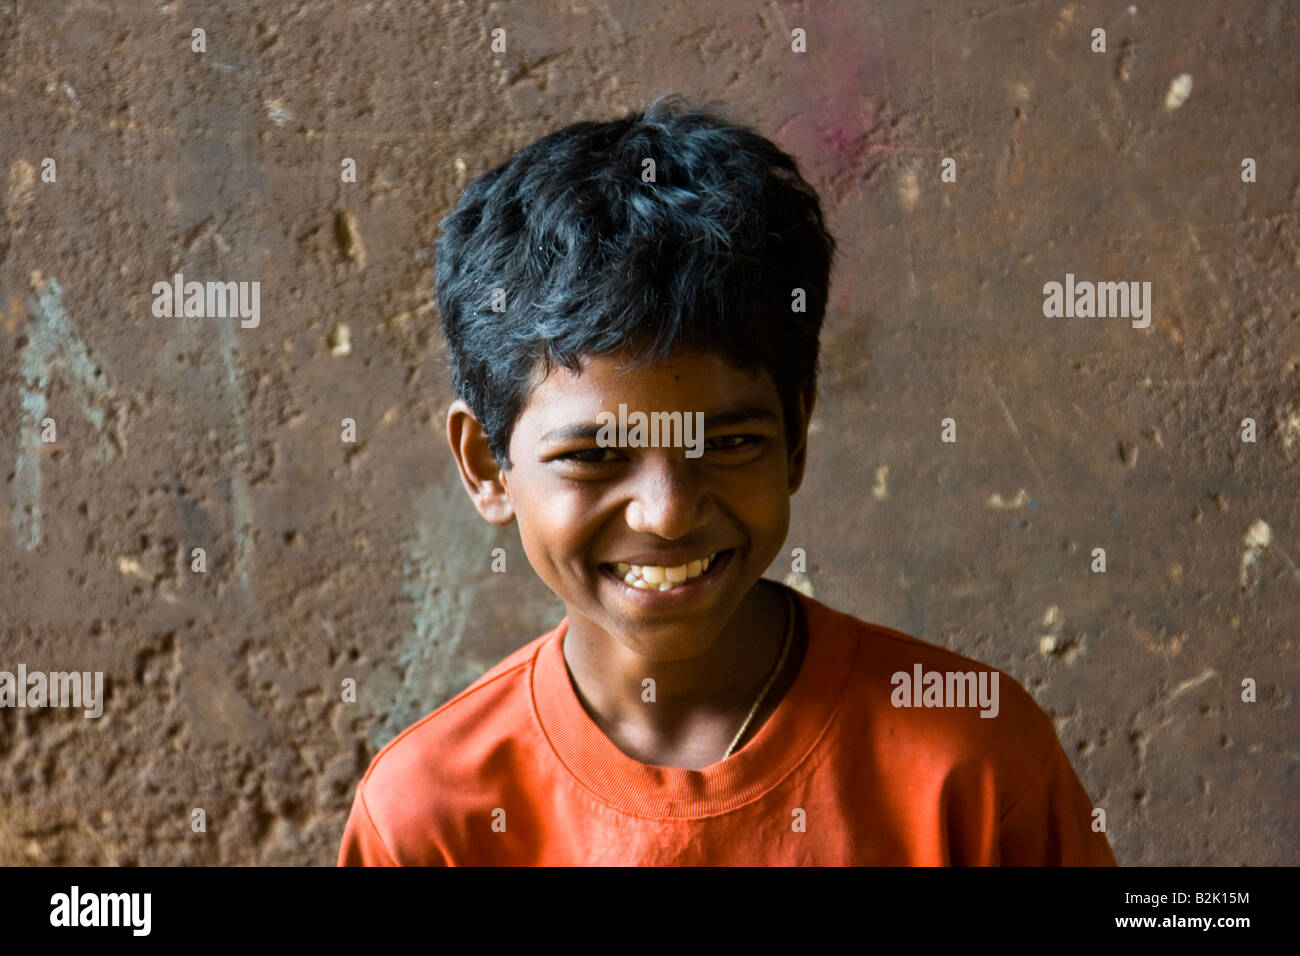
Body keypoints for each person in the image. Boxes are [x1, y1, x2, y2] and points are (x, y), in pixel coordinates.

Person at [338, 94, 1116, 866]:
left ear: (796, 435)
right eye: (594, 456)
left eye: (730, 441)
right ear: (487, 465)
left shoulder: (970, 762)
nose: (669, 513)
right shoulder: (430, 816)